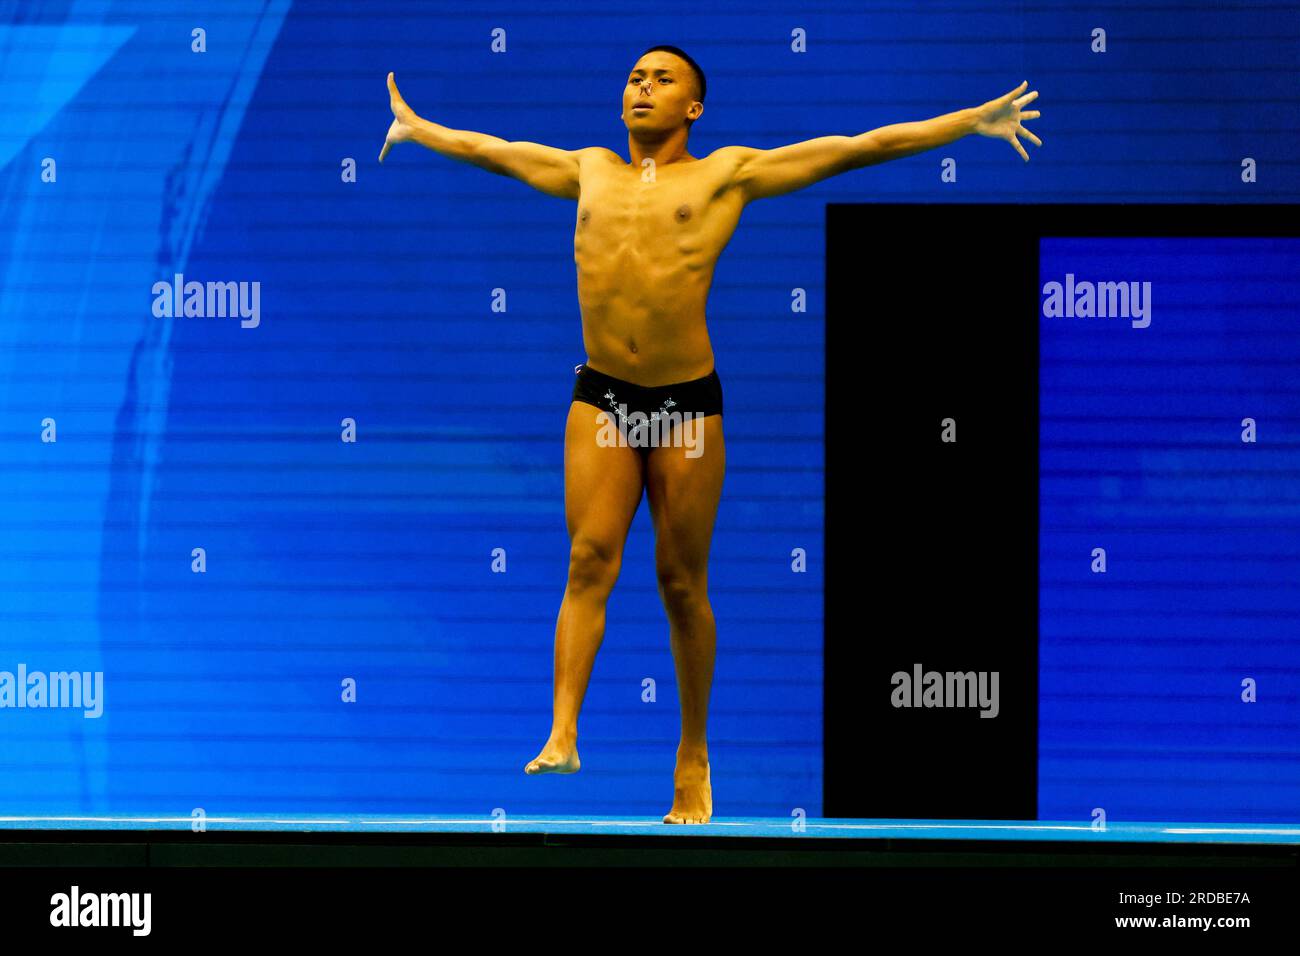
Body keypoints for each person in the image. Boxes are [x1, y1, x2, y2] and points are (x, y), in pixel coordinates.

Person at [379, 45, 1041, 823]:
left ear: (694, 107)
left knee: (680, 583)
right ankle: (563, 732)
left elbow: (859, 147)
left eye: (662, 80)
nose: (642, 87)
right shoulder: (589, 169)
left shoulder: (724, 174)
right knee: (589, 558)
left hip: (685, 407)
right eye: (632, 77)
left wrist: (968, 122)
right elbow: (496, 152)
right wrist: (420, 128)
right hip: (602, 398)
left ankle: (692, 756)